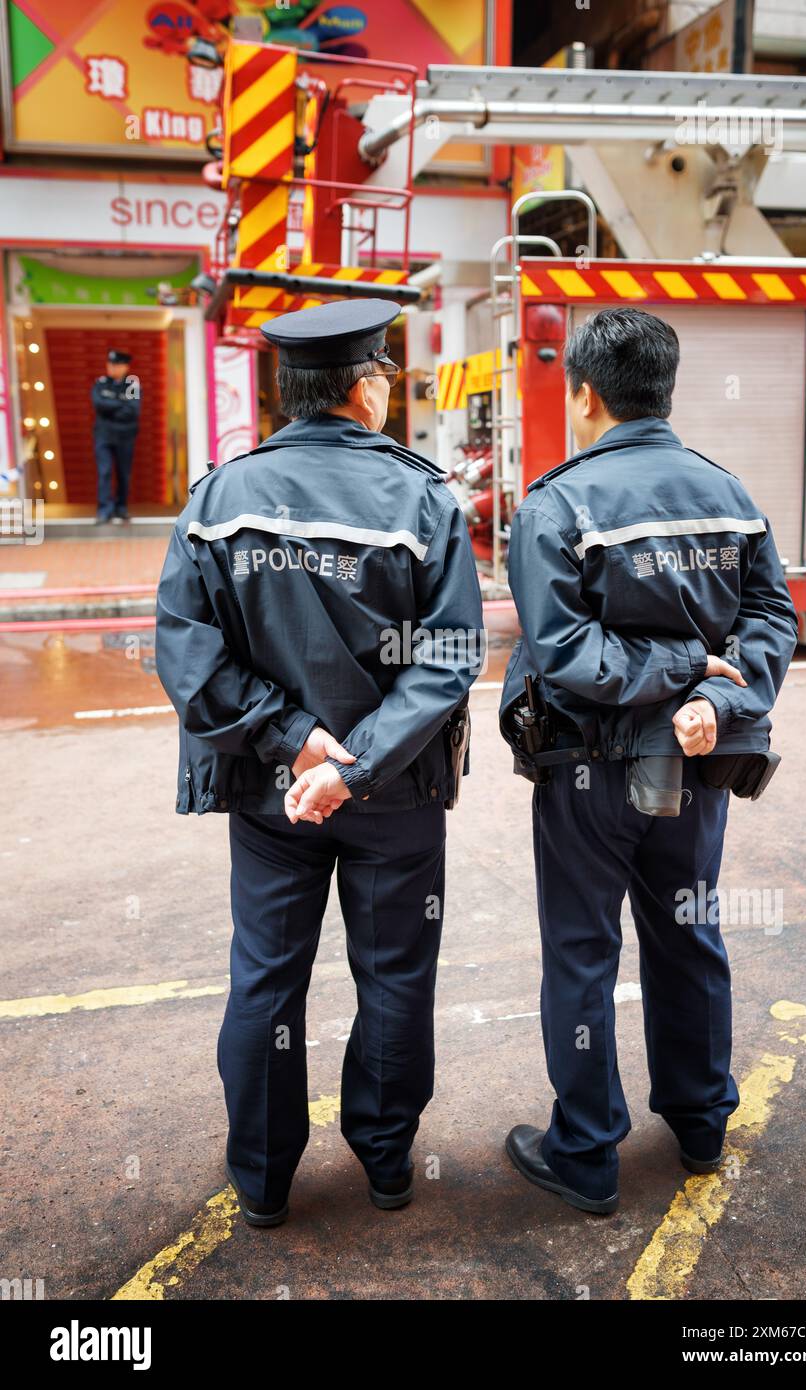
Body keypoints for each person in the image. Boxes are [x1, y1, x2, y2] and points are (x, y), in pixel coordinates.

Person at [155, 298, 484, 1227]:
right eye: (382, 374)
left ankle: (262, 1180)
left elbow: (185, 652)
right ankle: (385, 1164)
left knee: (266, 979)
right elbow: (453, 657)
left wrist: (289, 740)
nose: (384, 388)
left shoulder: (219, 497)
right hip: (397, 792)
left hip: (271, 799)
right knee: (394, 976)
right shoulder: (423, 498)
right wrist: (357, 762)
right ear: (361, 388)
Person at [499, 306, 798, 1215]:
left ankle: (586, 1155)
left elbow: (563, 654)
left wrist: (680, 681)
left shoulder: (554, 502)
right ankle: (701, 1123)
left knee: (582, 954)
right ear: (665, 391)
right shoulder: (728, 491)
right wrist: (713, 696)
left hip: (587, 772)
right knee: (688, 933)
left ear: (584, 394)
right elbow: (772, 622)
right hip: (697, 762)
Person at [92, 348, 140, 523]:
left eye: (116, 364)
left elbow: (133, 410)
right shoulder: (101, 383)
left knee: (123, 474)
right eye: (110, 364)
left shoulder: (132, 384)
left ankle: (121, 508)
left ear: (125, 367)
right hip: (103, 436)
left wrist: (111, 407)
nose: (112, 368)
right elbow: (99, 404)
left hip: (125, 436)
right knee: (104, 472)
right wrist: (120, 404)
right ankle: (104, 510)